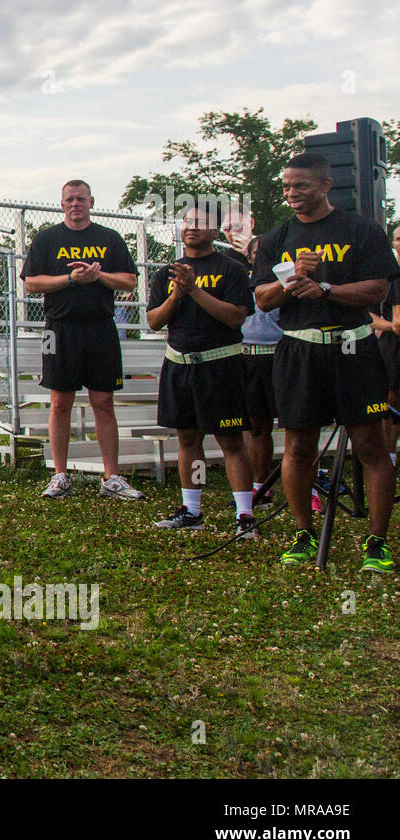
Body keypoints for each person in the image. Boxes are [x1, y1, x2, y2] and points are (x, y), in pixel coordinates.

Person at [253, 152, 398, 573]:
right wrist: (293, 278)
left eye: (301, 185)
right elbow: (262, 299)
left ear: (325, 185)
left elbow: (376, 291)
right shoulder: (277, 237)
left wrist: (326, 288)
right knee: (299, 447)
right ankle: (302, 533)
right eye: (286, 187)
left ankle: (377, 542)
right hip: (299, 351)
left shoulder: (360, 230)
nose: (292, 194)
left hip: (353, 349)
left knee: (371, 447)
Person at [20, 180, 144, 500]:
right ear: (61, 204)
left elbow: (129, 280)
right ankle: (60, 475)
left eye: (81, 199)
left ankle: (111, 477)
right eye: (70, 199)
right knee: (60, 402)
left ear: (92, 202)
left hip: (101, 327)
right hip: (58, 328)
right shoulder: (47, 239)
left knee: (103, 402)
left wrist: (97, 276)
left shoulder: (109, 238)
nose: (76, 203)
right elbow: (32, 283)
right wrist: (72, 279)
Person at [146, 206, 257, 538]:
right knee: (188, 439)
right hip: (180, 364)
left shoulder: (231, 268)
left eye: (200, 223)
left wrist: (194, 290)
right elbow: (154, 321)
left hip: (220, 364)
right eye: (187, 222)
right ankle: (192, 511)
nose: (192, 228)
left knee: (231, 441)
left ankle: (245, 516)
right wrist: (177, 295)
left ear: (214, 230)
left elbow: (236, 316)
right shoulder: (167, 272)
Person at [222, 205, 282, 502]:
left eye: (239, 225)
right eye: (228, 228)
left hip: (281, 352)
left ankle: (312, 484)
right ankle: (260, 485)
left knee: (299, 425)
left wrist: (255, 253)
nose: (234, 232)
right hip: (245, 353)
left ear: (252, 223)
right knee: (256, 425)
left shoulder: (275, 253)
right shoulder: (227, 266)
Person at [366, 224, 400, 462]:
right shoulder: (389, 276)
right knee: (391, 402)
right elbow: (367, 317)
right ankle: (389, 460)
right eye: (398, 238)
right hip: (393, 346)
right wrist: (391, 326)